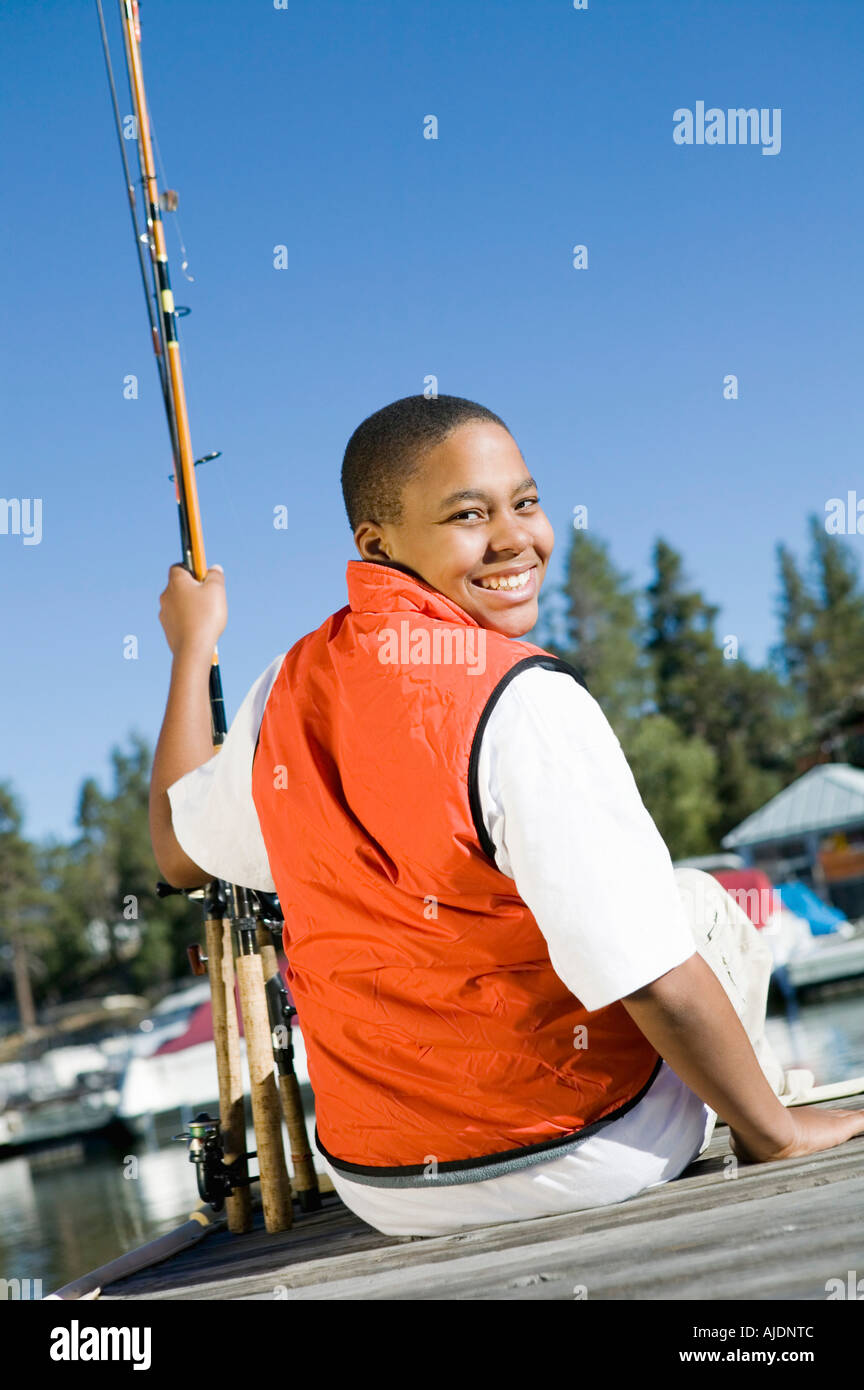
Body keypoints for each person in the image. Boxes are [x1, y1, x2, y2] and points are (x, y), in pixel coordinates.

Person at [149, 395, 864, 1238]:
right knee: (698, 902)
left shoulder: (282, 690)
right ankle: (767, 1116)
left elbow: (174, 848)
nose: (515, 537)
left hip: (383, 1190)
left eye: (524, 502)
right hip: (583, 1154)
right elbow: (652, 974)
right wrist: (777, 1141)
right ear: (377, 545)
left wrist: (193, 648)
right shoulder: (521, 698)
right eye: (467, 515)